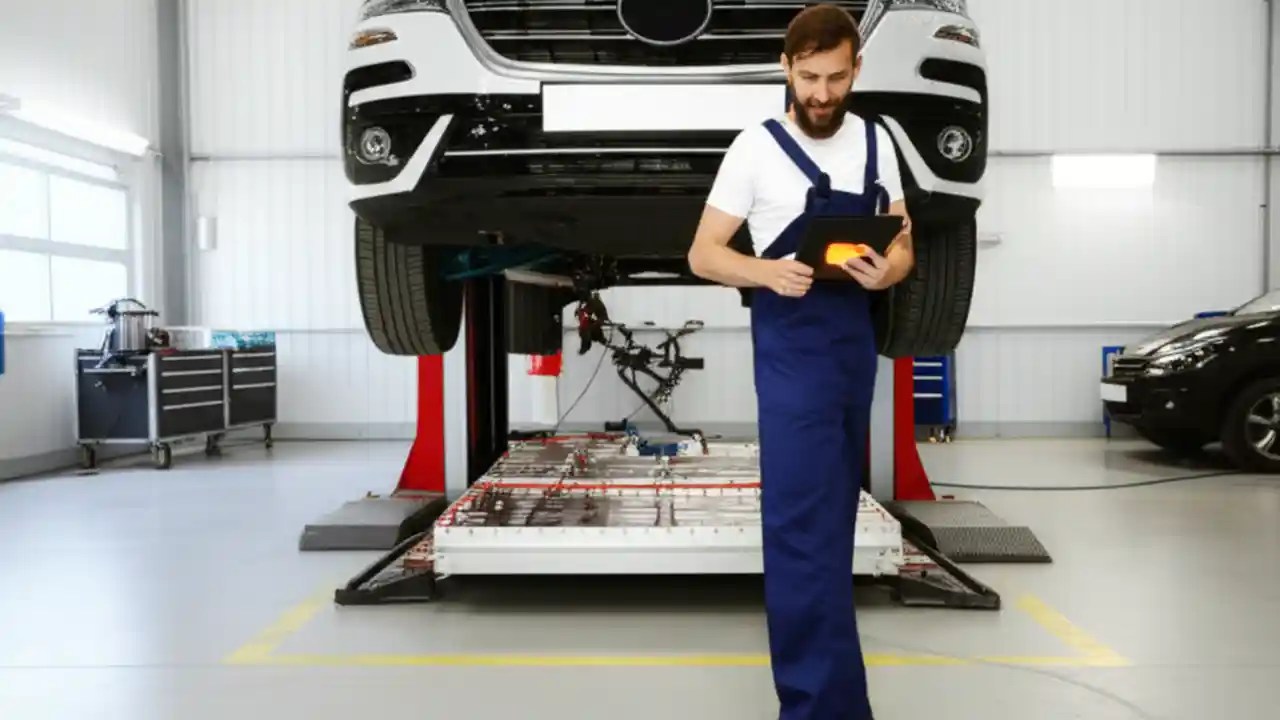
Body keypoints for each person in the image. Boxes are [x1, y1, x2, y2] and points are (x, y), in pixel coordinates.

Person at [686, 4, 913, 719]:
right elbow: (703, 254)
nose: (821, 93)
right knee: (803, 536)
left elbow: (904, 242)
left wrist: (890, 270)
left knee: (833, 528)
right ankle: (819, 708)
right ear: (786, 69)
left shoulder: (879, 143)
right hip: (791, 358)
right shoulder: (754, 148)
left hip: (851, 354)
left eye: (836, 77)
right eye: (809, 77)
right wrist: (765, 271)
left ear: (856, 70)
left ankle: (831, 702)